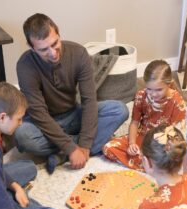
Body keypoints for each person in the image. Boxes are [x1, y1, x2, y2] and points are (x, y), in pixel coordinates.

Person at [14, 13, 129, 174]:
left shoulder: (79, 53)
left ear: (59, 34)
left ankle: (62, 154)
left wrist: (84, 145)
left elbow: (89, 101)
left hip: (73, 114)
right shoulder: (25, 66)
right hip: (42, 122)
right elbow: (39, 114)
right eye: (44, 49)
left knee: (119, 110)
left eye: (55, 44)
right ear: (31, 47)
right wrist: (71, 148)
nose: (53, 53)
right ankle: (71, 149)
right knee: (22, 135)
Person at [103, 60, 186, 170]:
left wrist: (159, 150)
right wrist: (132, 144)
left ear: (169, 84)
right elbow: (134, 122)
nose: (153, 94)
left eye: (159, 90)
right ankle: (150, 166)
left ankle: (148, 164)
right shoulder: (141, 95)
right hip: (143, 136)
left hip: (163, 143)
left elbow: (176, 136)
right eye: (149, 89)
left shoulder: (177, 102)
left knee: (172, 158)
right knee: (108, 147)